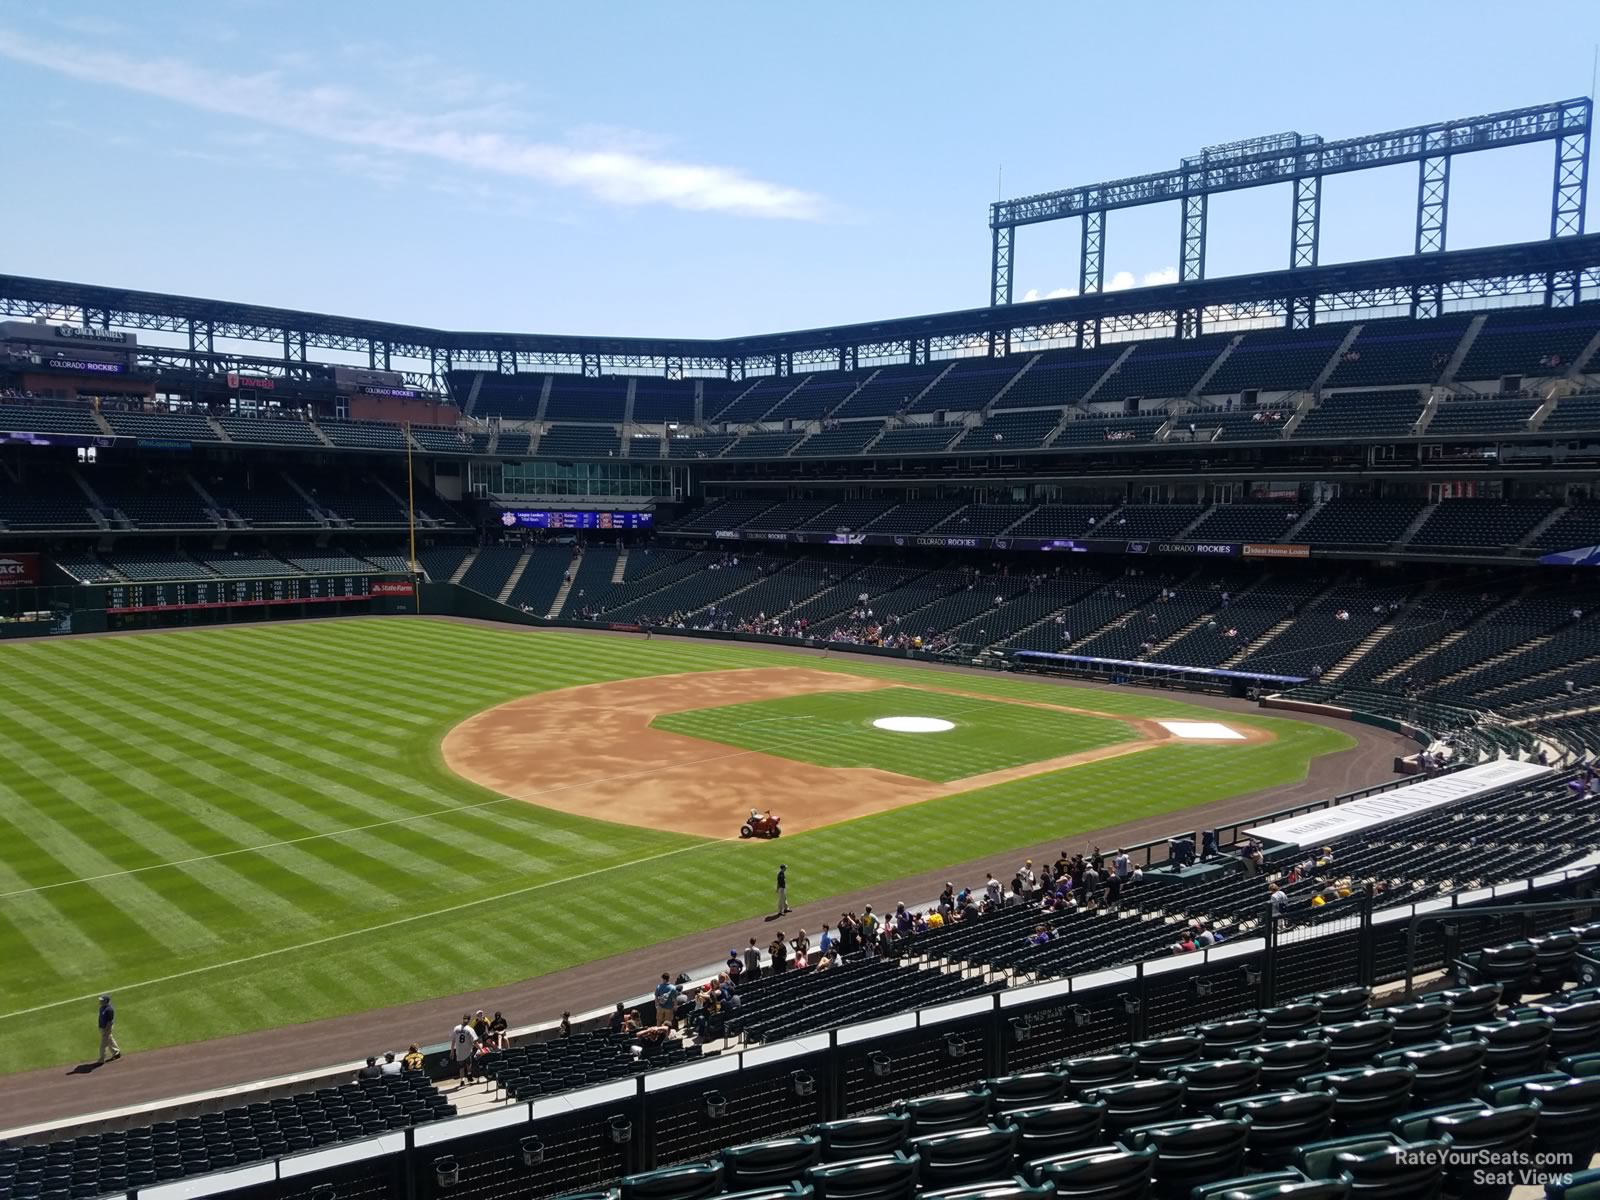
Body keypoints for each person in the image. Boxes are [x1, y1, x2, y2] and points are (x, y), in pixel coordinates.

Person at [450, 1014, 477, 1087]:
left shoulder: (456, 1028)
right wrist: (480, 1049)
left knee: (461, 1067)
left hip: (459, 1052)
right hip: (467, 1051)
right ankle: (469, 1077)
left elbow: (453, 1041)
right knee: (469, 1064)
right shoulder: (470, 1029)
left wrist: (452, 1051)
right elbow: (474, 1041)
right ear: (469, 1019)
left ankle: (462, 1081)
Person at [96, 994, 121, 1064]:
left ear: (106, 1001)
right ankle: (116, 1052)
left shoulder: (109, 1009)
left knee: (103, 1045)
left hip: (107, 1028)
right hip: (102, 1027)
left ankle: (101, 1059)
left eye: (102, 1000)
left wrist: (107, 1030)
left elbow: (110, 1022)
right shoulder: (101, 1008)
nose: (100, 1002)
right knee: (110, 1039)